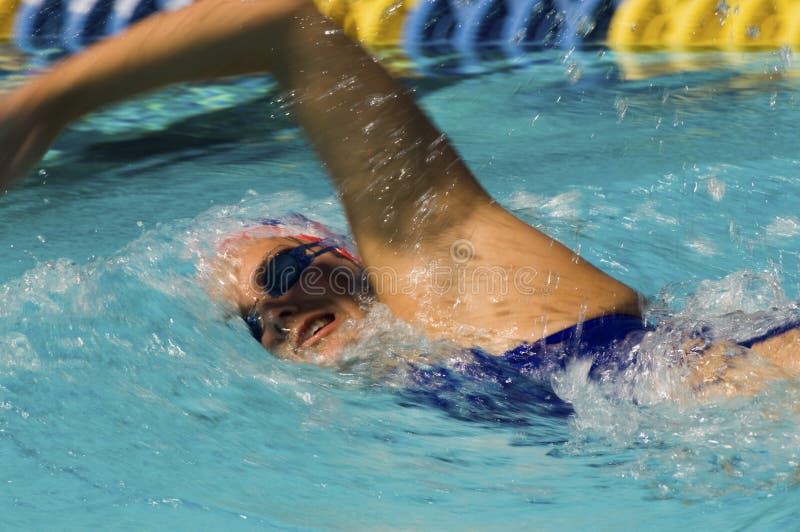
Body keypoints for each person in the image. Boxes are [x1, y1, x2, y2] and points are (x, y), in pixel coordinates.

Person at [0, 0, 798, 394]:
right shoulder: (430, 387)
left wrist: (48, 102)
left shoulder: (432, 265)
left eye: (280, 273)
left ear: (346, 255)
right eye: (252, 322)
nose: (276, 312)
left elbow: (286, 29)